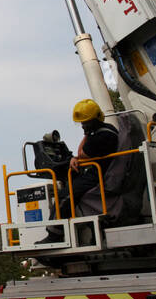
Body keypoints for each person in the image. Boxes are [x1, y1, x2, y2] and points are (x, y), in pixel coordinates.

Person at [39, 100, 119, 239]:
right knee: (72, 181)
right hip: (101, 171)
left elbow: (82, 153)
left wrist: (86, 137)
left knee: (64, 196)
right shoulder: (110, 130)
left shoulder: (102, 136)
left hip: (97, 175)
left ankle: (54, 234)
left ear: (94, 120)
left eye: (85, 123)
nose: (82, 126)